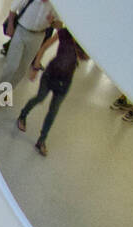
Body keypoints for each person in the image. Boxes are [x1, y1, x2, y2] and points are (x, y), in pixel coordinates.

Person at [16, 19, 88, 156]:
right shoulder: (64, 33)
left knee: (53, 111)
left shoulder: (83, 43)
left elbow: (87, 57)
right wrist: (36, 65)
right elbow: (44, 46)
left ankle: (42, 140)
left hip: (65, 82)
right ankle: (23, 115)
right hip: (50, 75)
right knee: (39, 98)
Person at [0, 0, 55, 107]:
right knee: (11, 65)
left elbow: (61, 24)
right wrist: (10, 25)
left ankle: (7, 92)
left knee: (22, 68)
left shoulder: (55, 5)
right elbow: (13, 9)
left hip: (38, 36)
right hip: (21, 31)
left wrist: (52, 22)